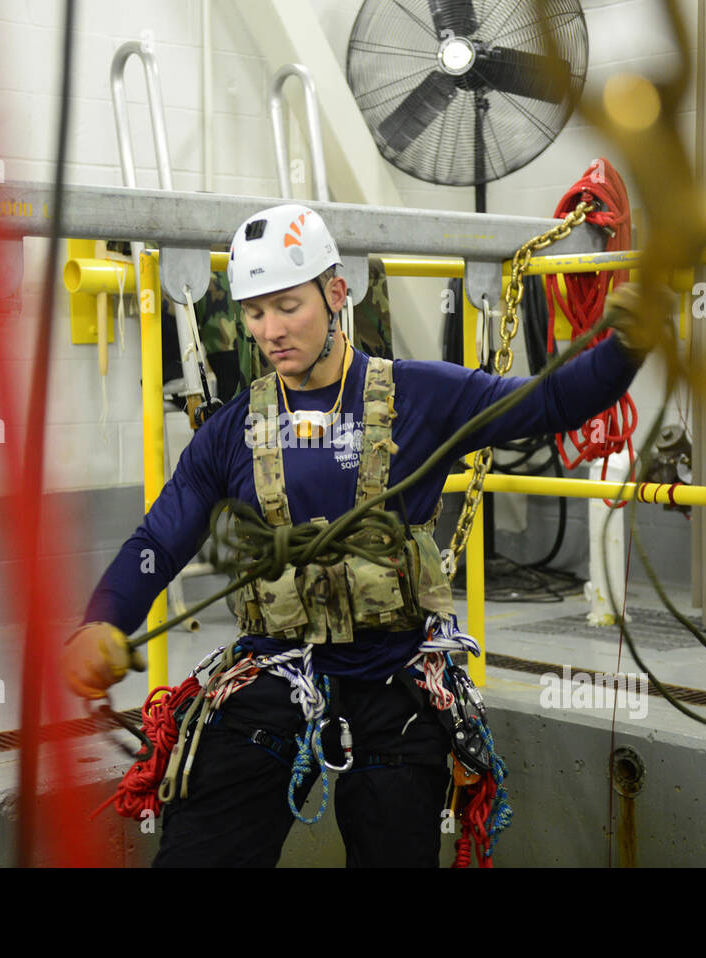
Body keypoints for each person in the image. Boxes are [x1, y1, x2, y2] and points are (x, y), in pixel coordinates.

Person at [62, 203, 654, 867]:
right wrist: (103, 618)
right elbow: (160, 538)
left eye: (289, 306)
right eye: (255, 313)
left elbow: (550, 402)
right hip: (274, 673)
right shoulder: (231, 432)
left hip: (393, 681)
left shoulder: (421, 395)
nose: (271, 330)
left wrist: (627, 346)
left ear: (335, 293)